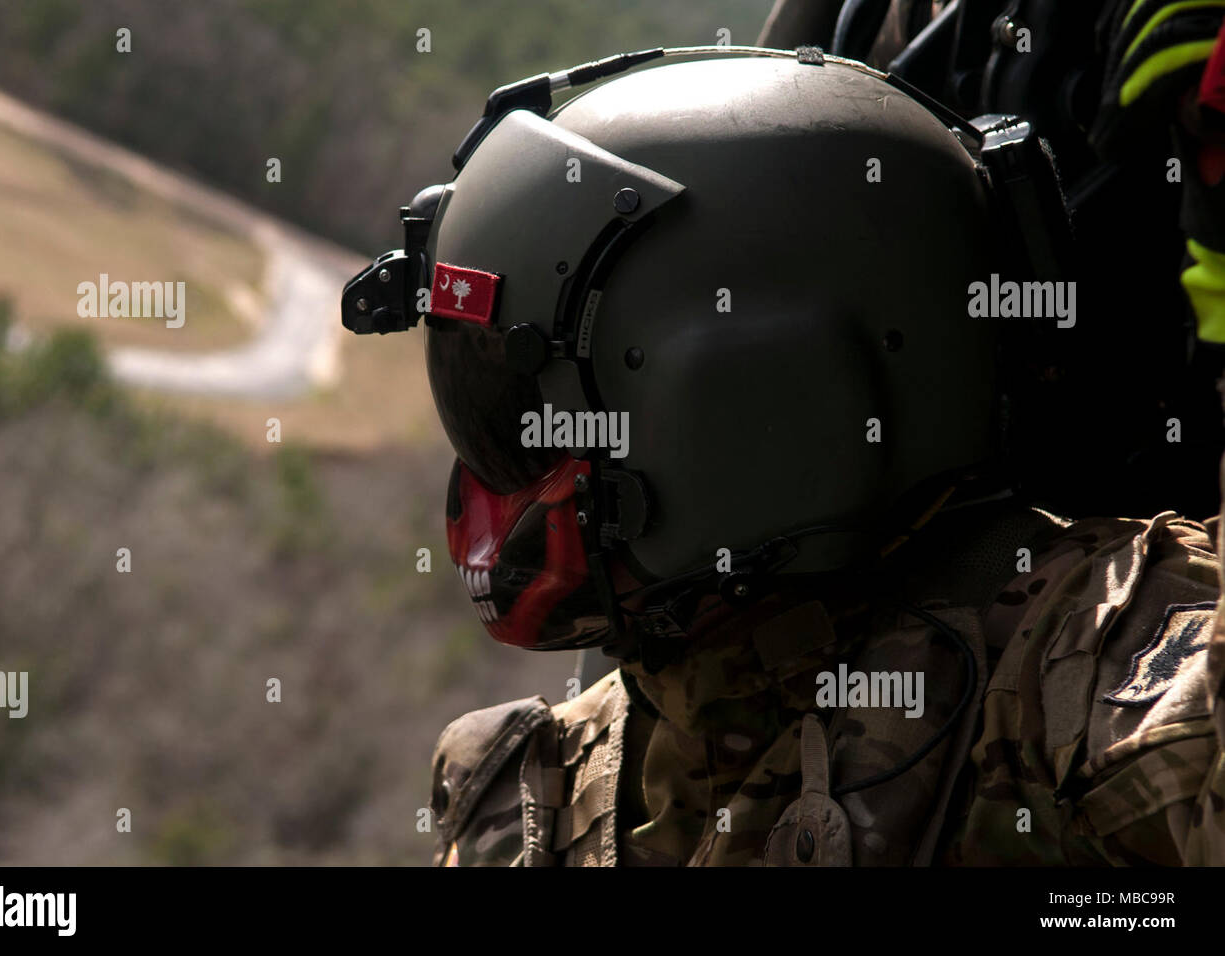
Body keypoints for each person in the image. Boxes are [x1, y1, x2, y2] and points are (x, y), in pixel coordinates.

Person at [342, 33, 1225, 865]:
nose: (488, 479)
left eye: (522, 420)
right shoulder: (529, 794)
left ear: (749, 404)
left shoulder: (1100, 681)